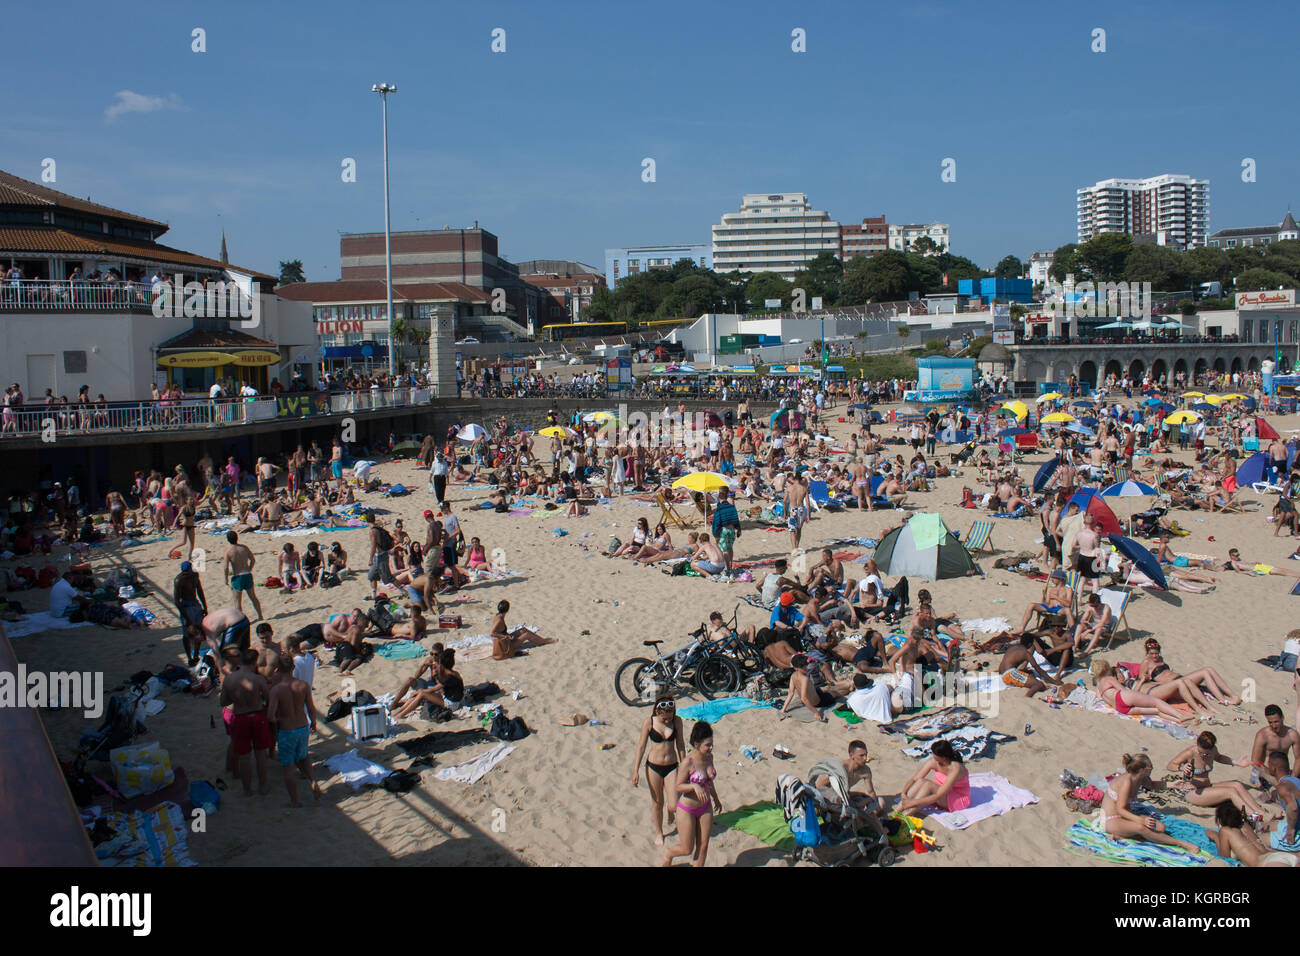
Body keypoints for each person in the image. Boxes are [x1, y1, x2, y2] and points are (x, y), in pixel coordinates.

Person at [1094, 753, 1202, 854]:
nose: (1152, 770)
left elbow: (1151, 785)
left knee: (1161, 828)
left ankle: (1121, 836)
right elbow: (1121, 809)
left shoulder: (1140, 777)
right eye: (1150, 768)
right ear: (1142, 770)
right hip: (1111, 819)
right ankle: (1181, 844)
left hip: (1127, 816)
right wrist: (1142, 820)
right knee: (1142, 828)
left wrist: (1172, 785)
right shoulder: (1126, 781)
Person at [1167, 731, 1278, 823]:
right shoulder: (1190, 752)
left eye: (1206, 754)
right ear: (1197, 745)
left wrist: (1235, 762)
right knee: (1230, 792)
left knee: (1237, 785)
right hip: (1192, 791)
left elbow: (1219, 757)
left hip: (1206, 786)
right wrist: (1182, 767)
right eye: (1202, 753)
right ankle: (1255, 816)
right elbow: (1170, 765)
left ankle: (1260, 811)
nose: (1204, 756)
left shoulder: (1212, 750)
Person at [662, 721, 722, 867]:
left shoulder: (710, 758)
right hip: (687, 809)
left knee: (703, 846)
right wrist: (694, 786)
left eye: (712, 743)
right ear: (696, 744)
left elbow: (708, 781)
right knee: (687, 848)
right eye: (707, 745)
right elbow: (678, 786)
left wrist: (716, 798)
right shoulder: (688, 762)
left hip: (705, 806)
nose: (711, 748)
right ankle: (668, 855)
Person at [266, 655, 320, 807]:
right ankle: (313, 780)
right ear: (293, 668)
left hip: (287, 729)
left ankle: (294, 801)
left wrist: (278, 720)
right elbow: (311, 708)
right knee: (304, 756)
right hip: (302, 726)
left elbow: (270, 716)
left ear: (277, 669)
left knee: (288, 767)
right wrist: (314, 723)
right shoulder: (303, 685)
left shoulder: (276, 690)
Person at [632, 697, 687, 846]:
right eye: (665, 719)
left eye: (670, 717)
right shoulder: (649, 722)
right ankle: (659, 832)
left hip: (672, 766)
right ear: (657, 712)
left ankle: (670, 812)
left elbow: (680, 745)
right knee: (657, 803)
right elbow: (641, 747)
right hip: (653, 767)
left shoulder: (677, 721)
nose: (668, 721)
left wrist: (684, 766)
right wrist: (635, 770)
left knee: (674, 805)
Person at [220, 648, 272, 797]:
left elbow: (223, 701)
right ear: (254, 663)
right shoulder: (258, 679)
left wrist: (236, 697)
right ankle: (263, 786)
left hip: (241, 716)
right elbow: (268, 699)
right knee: (260, 754)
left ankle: (247, 789)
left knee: (244, 756)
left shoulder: (229, 679)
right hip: (257, 715)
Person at [1210, 801, 1297, 867]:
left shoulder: (1225, 831)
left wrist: (1215, 837)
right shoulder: (1245, 825)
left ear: (1220, 820)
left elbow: (1225, 857)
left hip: (1267, 862)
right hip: (1278, 855)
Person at [897, 739, 971, 814]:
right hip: (941, 792)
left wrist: (913, 802)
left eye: (934, 754)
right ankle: (896, 812)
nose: (932, 755)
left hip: (957, 799)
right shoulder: (934, 761)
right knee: (921, 781)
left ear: (944, 757)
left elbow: (938, 795)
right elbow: (915, 779)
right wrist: (903, 793)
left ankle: (904, 816)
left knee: (928, 785)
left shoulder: (955, 769)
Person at [490, 600, 557, 660]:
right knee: (527, 635)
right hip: (505, 645)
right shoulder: (499, 620)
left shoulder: (499, 615)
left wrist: (507, 636)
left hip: (506, 640)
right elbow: (491, 633)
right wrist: (506, 636)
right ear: (507, 610)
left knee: (523, 630)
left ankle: (541, 640)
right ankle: (544, 641)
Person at [221, 531, 263, 620]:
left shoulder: (228, 551)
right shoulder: (244, 548)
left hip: (237, 576)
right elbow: (253, 560)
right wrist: (250, 568)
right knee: (253, 597)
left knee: (237, 602)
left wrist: (226, 579)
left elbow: (226, 567)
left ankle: (240, 620)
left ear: (228, 540)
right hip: (247, 574)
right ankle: (260, 615)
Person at [711, 488, 741, 578]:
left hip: (724, 530)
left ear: (719, 499)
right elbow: (736, 520)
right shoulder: (732, 507)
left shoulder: (719, 509)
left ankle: (728, 569)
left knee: (724, 551)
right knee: (730, 548)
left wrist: (716, 534)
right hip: (732, 530)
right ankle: (730, 565)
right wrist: (738, 529)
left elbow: (716, 523)